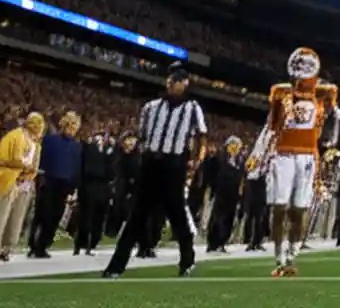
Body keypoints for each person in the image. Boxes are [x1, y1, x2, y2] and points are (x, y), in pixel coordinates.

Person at [102, 68, 207, 279]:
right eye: (171, 80)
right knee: (136, 216)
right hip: (151, 164)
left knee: (178, 217)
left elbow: (202, 136)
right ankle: (116, 266)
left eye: (178, 80)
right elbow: (142, 136)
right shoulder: (150, 107)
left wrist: (196, 161)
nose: (173, 84)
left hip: (174, 165)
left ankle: (187, 261)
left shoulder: (193, 108)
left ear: (185, 83)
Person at [249, 47, 338, 277]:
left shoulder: (323, 93)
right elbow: (272, 125)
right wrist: (258, 154)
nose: (302, 72)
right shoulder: (280, 93)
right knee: (279, 207)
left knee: (298, 209)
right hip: (284, 153)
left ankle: (292, 254)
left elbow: (332, 97)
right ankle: (278, 257)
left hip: (307, 155)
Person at [0, 112, 44, 262]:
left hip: (24, 183)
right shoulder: (17, 136)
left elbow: (33, 164)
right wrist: (22, 168)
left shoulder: (36, 144)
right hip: (8, 181)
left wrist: (29, 173)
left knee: (16, 218)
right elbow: (12, 160)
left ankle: (6, 247)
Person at [28, 111, 82, 258]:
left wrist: (73, 187)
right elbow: (41, 159)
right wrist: (39, 178)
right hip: (48, 181)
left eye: (75, 126)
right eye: (70, 125)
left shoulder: (77, 146)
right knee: (42, 214)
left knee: (56, 216)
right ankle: (33, 245)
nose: (72, 128)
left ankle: (43, 245)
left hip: (64, 185)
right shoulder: (50, 140)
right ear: (64, 125)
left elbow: (76, 168)